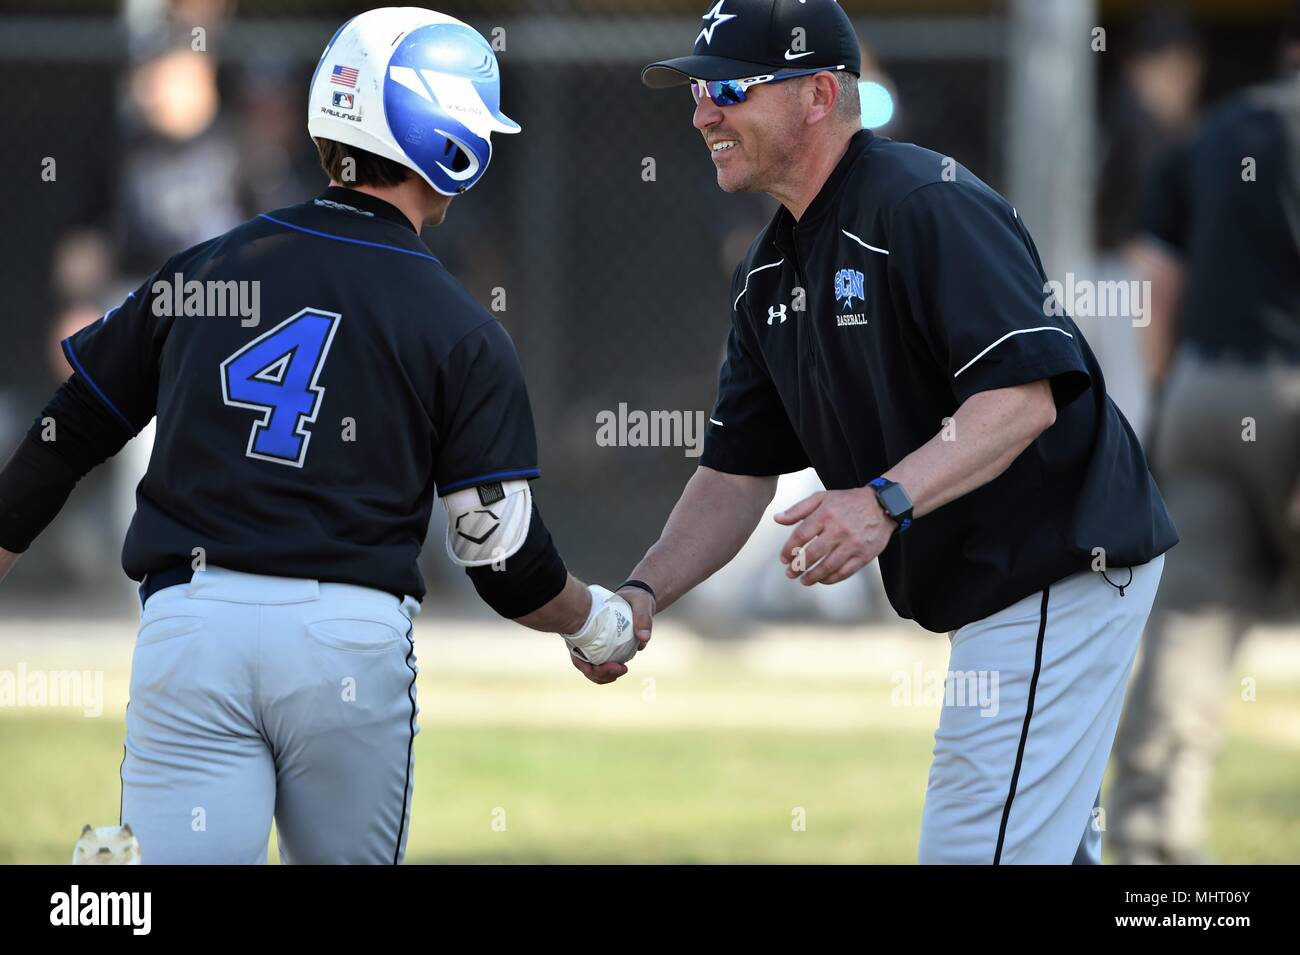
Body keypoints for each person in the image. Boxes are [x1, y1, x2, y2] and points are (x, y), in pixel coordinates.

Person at [0, 7, 639, 865]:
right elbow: (503, 560)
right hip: (346, 638)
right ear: (450, 143)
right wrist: (593, 620)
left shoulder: (209, 266)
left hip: (192, 625)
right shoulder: (460, 325)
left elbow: (65, 432)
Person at [621, 0, 1178, 864]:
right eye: (696, 92)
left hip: (1059, 564)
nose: (702, 113)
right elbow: (735, 473)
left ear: (815, 95)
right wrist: (642, 594)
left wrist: (881, 501)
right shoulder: (769, 270)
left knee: (971, 847)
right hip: (1003, 590)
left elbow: (1025, 396)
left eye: (728, 87)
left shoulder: (922, 202)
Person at [1108, 7, 1300, 865]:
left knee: (1188, 624)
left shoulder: (1215, 133)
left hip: (1206, 395)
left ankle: (1152, 848)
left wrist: (1164, 391)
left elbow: (1157, 277)